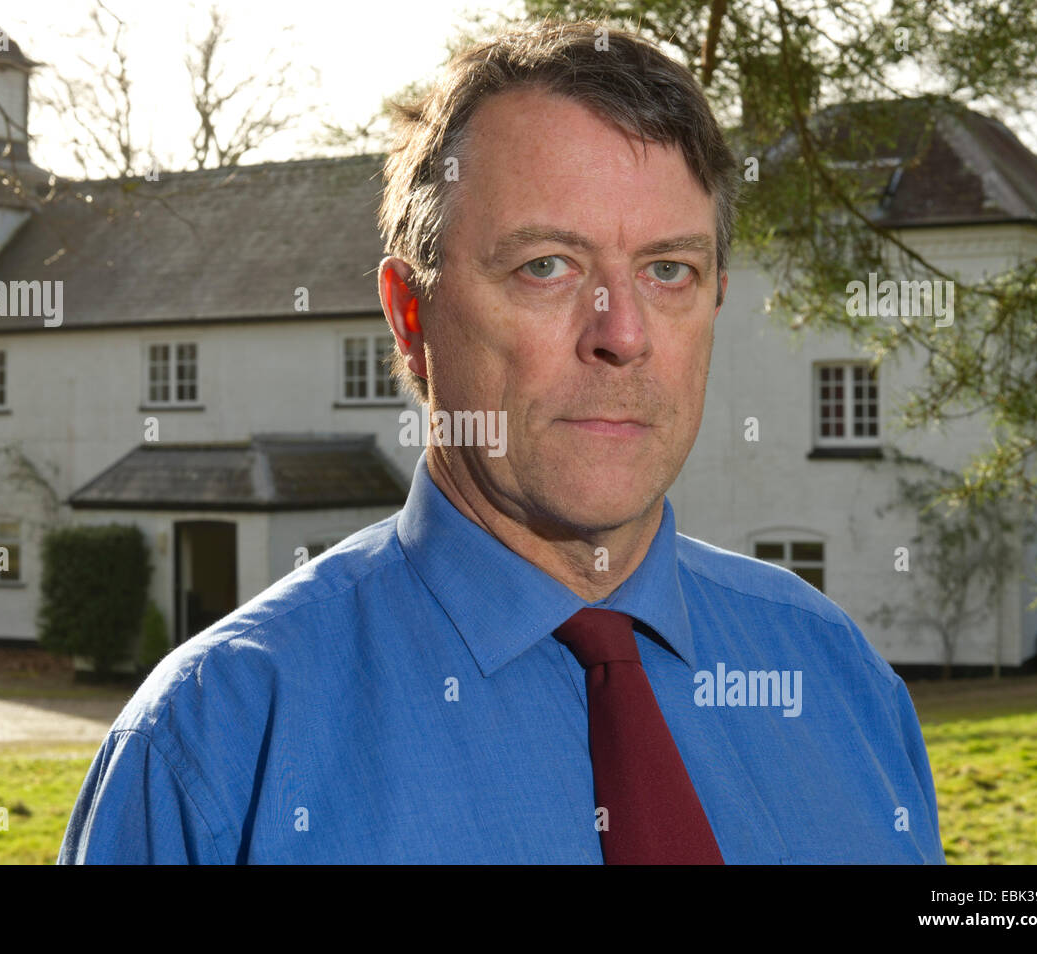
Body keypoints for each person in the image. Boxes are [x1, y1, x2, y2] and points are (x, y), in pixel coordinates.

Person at [59, 18, 944, 864]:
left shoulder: (839, 680)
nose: (621, 333)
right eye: (546, 267)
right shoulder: (217, 742)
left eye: (669, 269)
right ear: (410, 317)